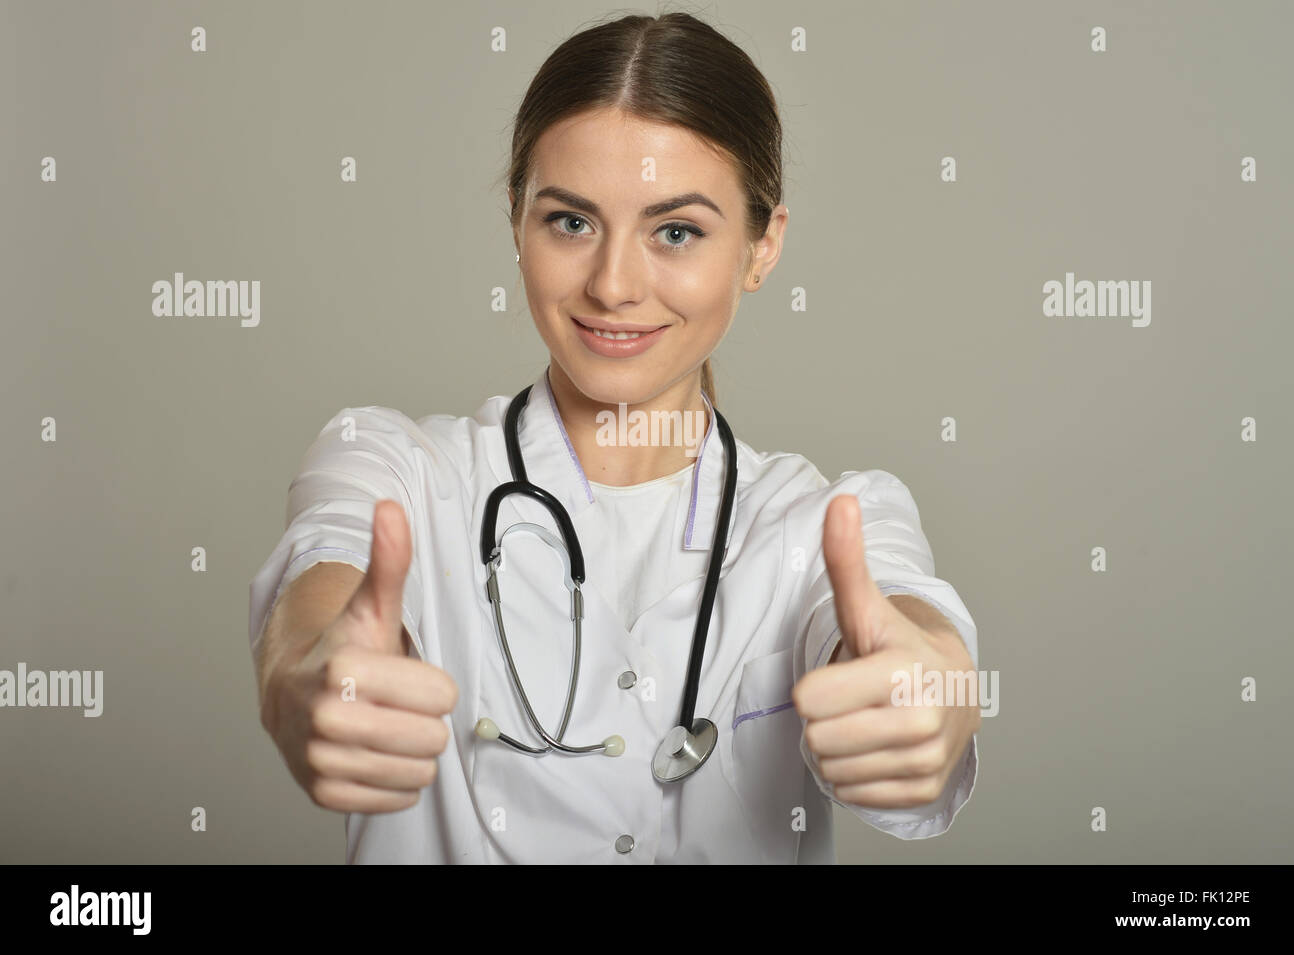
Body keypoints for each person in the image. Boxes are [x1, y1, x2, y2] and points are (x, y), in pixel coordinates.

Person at [247, 11, 980, 864]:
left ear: (761, 245)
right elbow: (320, 591)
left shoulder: (828, 525)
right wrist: (304, 673)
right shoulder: (397, 470)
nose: (614, 285)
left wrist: (930, 690)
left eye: (676, 231)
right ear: (515, 223)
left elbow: (912, 632)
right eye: (570, 222)